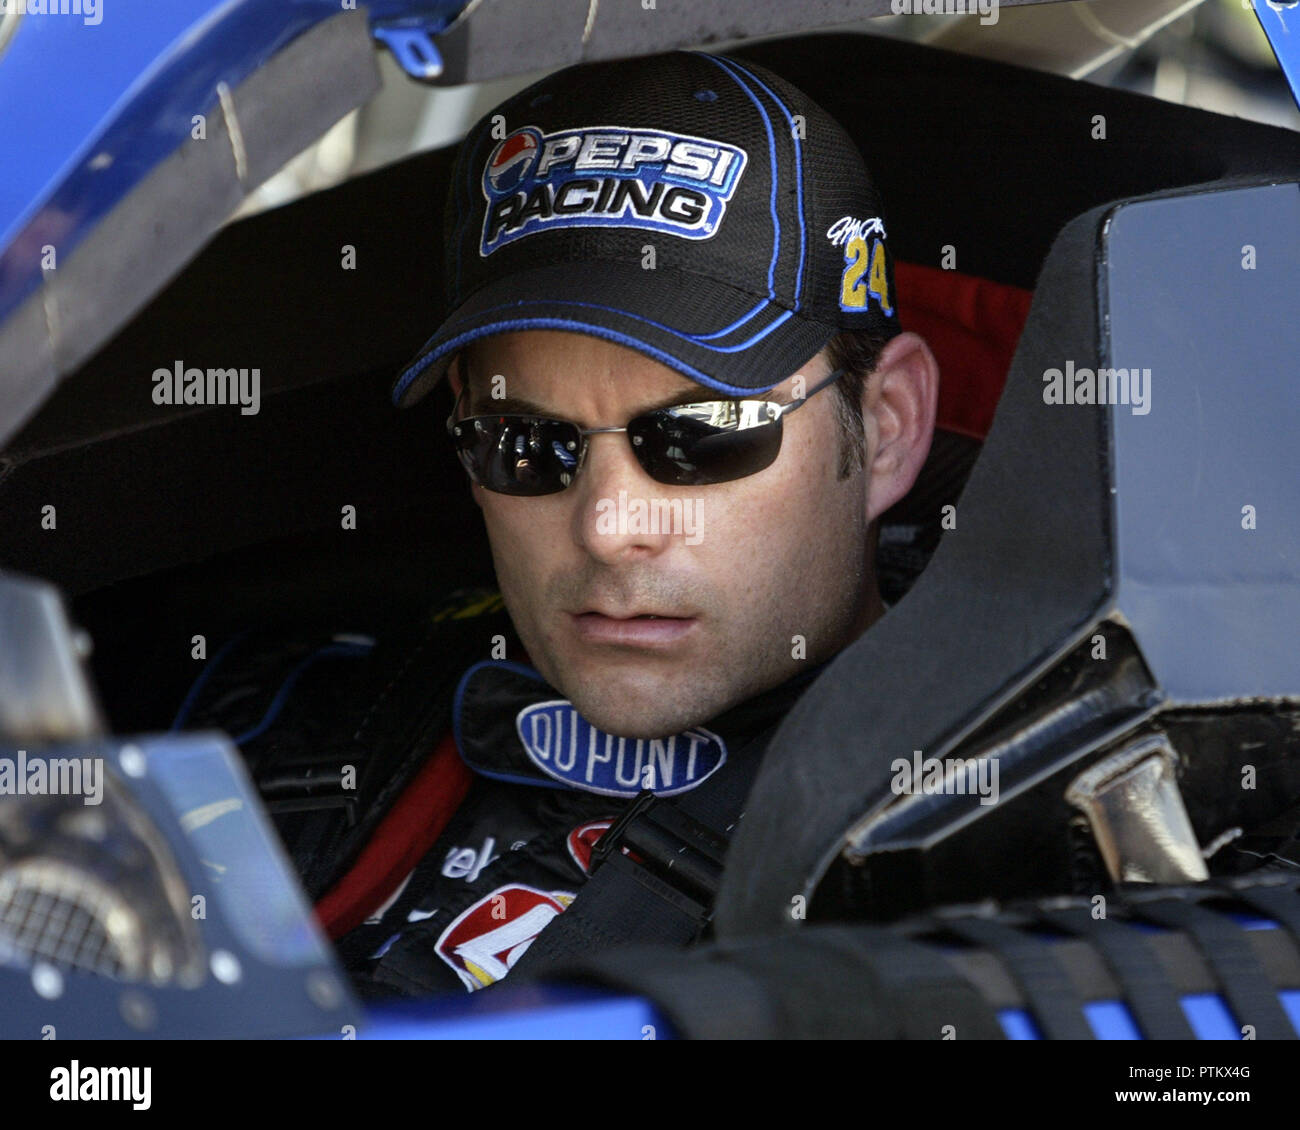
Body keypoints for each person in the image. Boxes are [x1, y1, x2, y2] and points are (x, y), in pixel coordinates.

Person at [194, 48, 940, 999]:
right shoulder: (280, 708)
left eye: (699, 436)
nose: (607, 525)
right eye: (524, 442)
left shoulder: (1007, 843)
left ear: (883, 430)